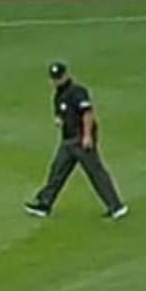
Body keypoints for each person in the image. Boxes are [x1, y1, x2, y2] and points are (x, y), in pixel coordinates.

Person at [25, 62, 128, 219]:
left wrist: (87, 136)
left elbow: (87, 114)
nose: (57, 81)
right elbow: (60, 113)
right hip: (67, 140)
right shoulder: (58, 95)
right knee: (57, 171)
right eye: (54, 78)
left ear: (66, 75)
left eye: (59, 77)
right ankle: (44, 205)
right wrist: (59, 119)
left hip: (80, 139)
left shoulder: (77, 92)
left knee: (95, 172)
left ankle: (116, 206)